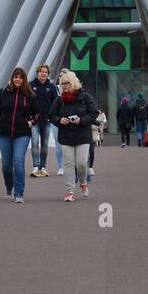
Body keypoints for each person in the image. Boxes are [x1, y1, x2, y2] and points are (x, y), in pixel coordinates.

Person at [0, 67, 38, 203]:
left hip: (22, 134)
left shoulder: (29, 95)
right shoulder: (3, 92)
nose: (18, 79)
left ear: (24, 79)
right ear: (12, 78)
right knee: (6, 165)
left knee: (18, 161)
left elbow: (38, 113)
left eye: (20, 77)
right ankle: (9, 187)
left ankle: (19, 193)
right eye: (15, 77)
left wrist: (32, 121)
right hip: (4, 134)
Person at [50, 70, 98, 201]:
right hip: (66, 136)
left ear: (74, 83)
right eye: (62, 84)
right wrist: (60, 120)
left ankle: (82, 182)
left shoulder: (85, 97)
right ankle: (69, 192)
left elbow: (94, 113)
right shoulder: (59, 100)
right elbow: (51, 115)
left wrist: (81, 121)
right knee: (69, 165)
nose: (65, 86)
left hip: (83, 135)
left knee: (82, 163)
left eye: (67, 83)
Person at [28, 64, 59, 178]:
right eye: (42, 71)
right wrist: (29, 118)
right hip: (34, 121)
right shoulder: (31, 86)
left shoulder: (51, 87)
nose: (44, 74)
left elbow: (56, 103)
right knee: (35, 143)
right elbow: (27, 103)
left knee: (45, 145)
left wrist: (53, 117)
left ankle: (43, 167)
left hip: (46, 121)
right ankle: (36, 168)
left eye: (46, 72)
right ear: (37, 73)